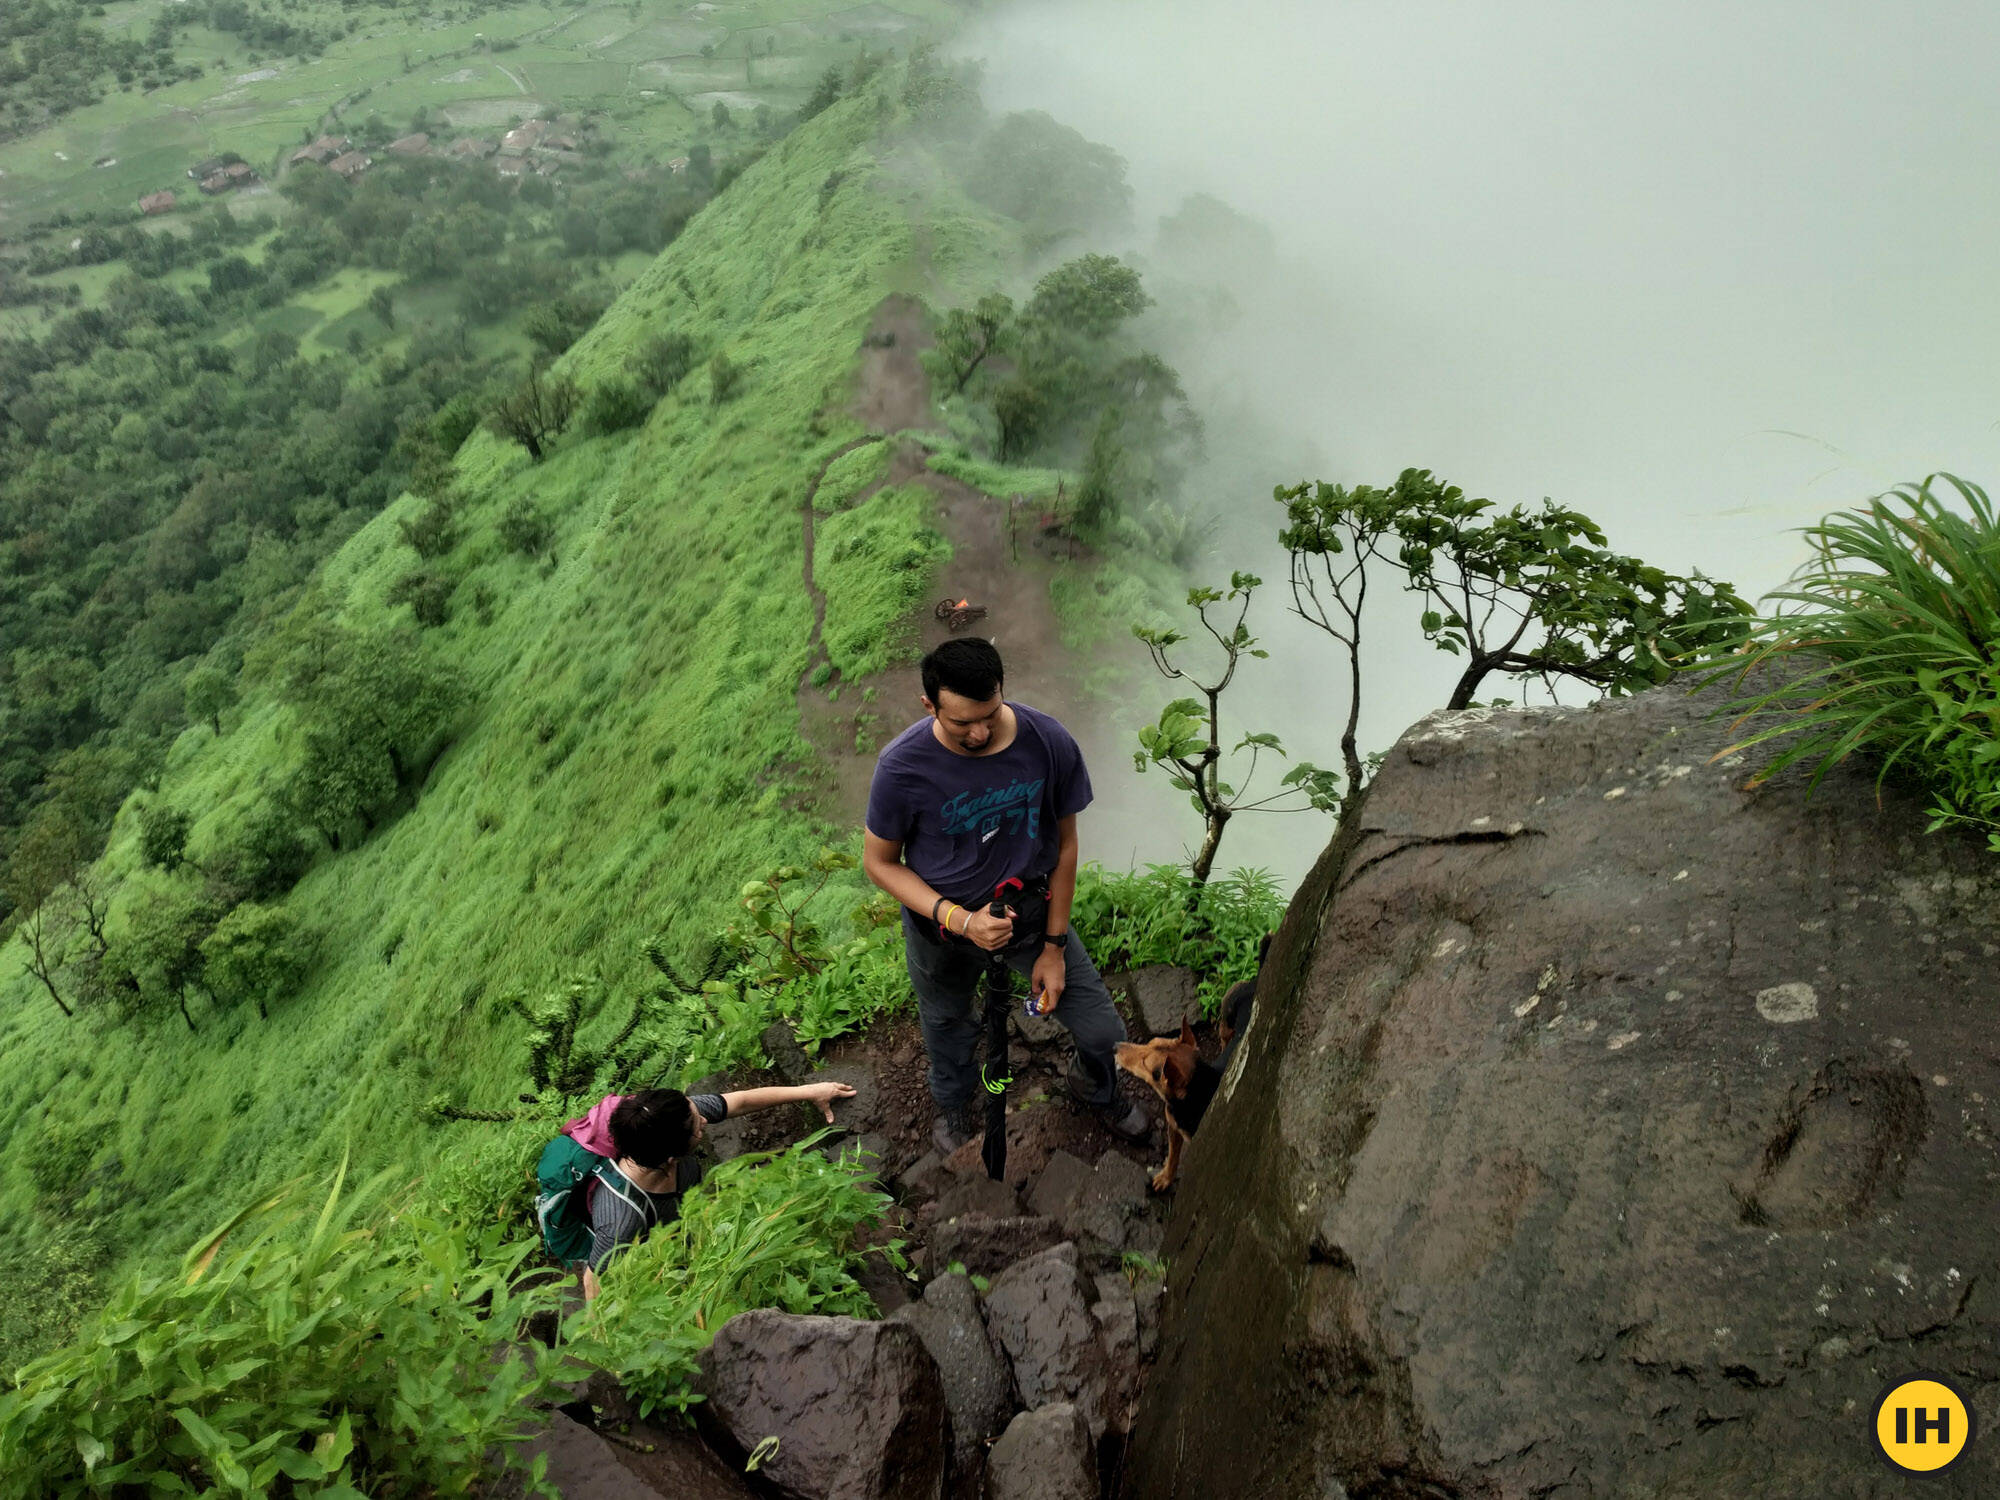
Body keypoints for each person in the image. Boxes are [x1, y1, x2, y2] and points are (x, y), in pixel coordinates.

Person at [863, 637, 1148, 1154]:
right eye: (961, 722)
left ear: (1002, 691)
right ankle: (954, 1105)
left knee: (1104, 1030)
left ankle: (1093, 1083)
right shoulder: (902, 767)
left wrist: (1055, 947)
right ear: (930, 706)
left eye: (990, 714)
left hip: (1031, 917)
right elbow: (879, 863)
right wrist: (959, 919)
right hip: (941, 931)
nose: (979, 731)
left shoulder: (1047, 741)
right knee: (948, 1022)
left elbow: (1065, 846)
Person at [573, 1080, 855, 1299]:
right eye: (698, 1127)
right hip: (649, 1253)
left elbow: (740, 1102)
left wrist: (811, 1091)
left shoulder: (668, 1119)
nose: (704, 1120)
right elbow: (594, 1282)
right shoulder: (620, 1218)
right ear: (672, 1155)